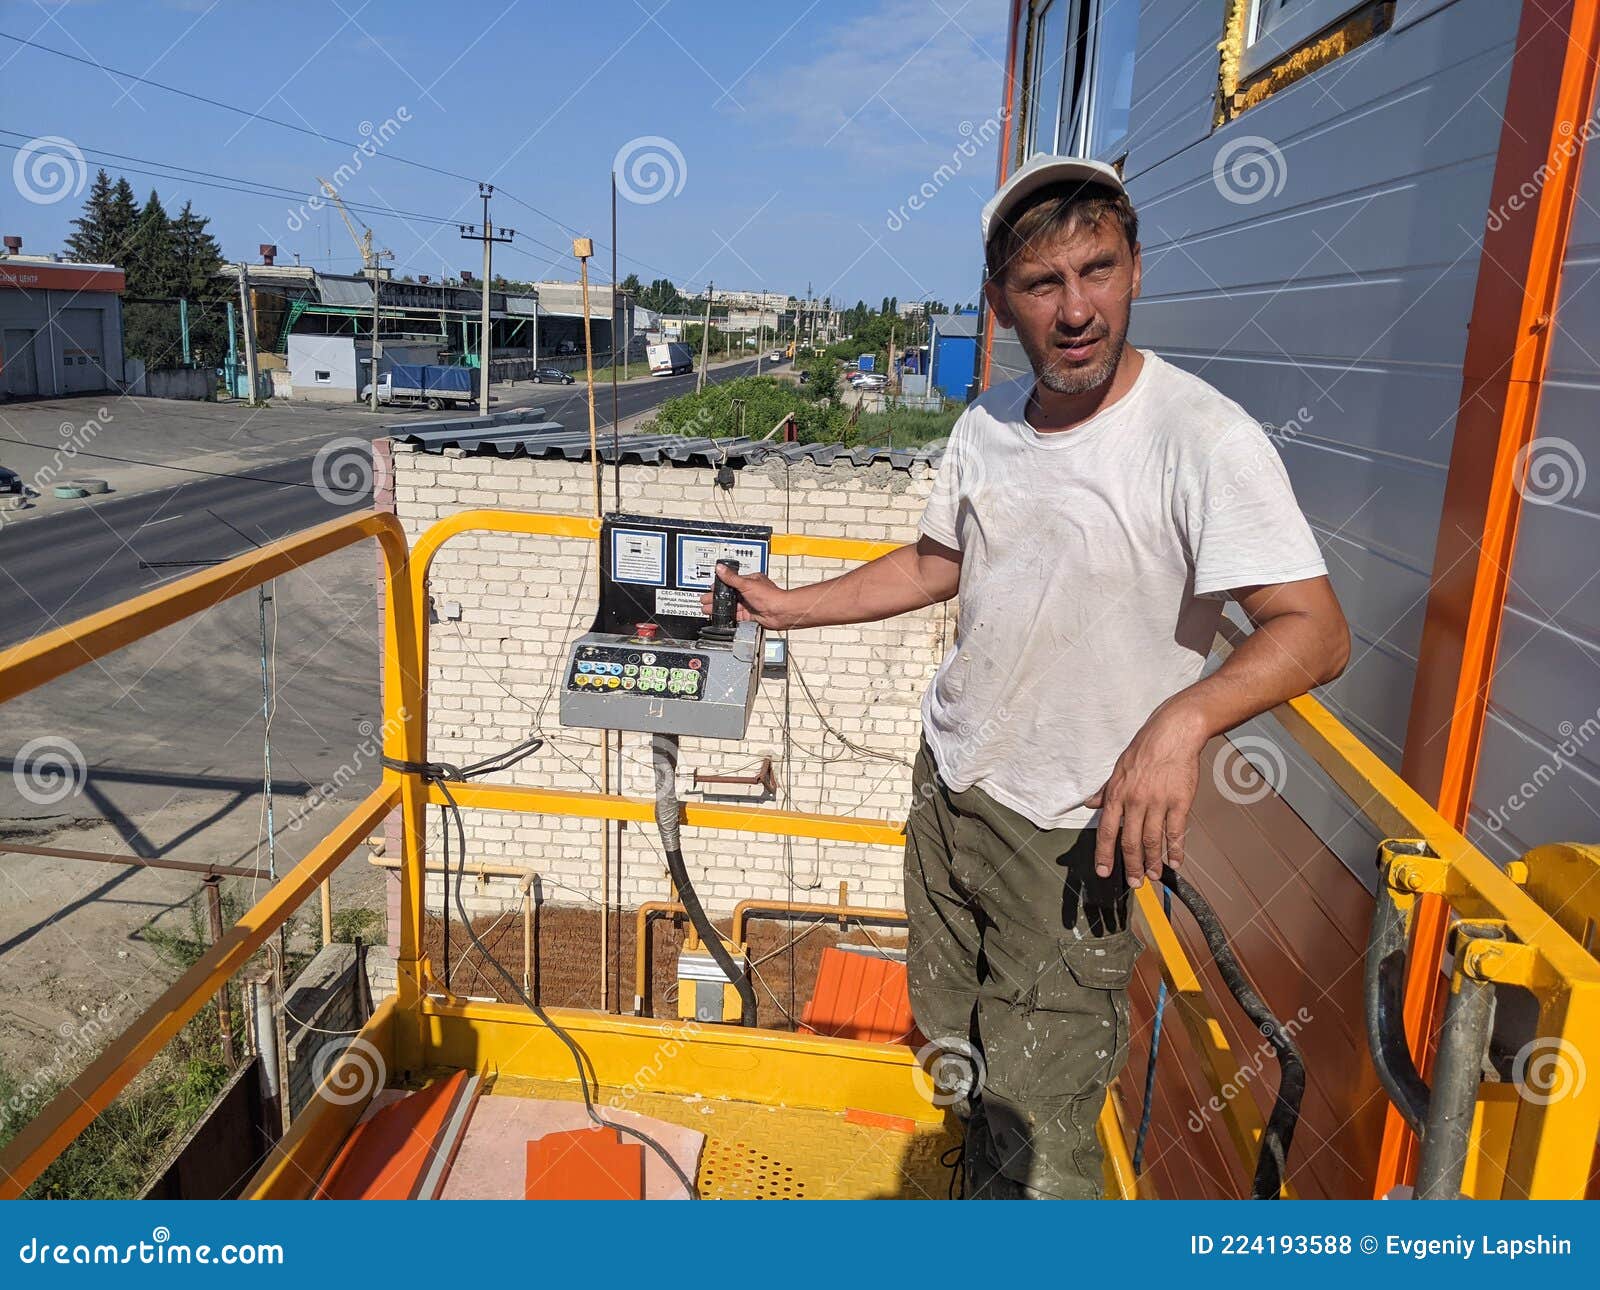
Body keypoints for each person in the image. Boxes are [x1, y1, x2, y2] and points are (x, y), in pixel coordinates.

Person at [706, 155, 1349, 1198]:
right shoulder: (987, 426)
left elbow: (1313, 631)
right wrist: (790, 606)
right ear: (1000, 302)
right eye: (1044, 285)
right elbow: (936, 565)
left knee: (1042, 1134)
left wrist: (1178, 725)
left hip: (1069, 831)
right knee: (957, 1055)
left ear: (1135, 268)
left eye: (1097, 271)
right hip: (952, 785)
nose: (1077, 309)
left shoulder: (1200, 438)